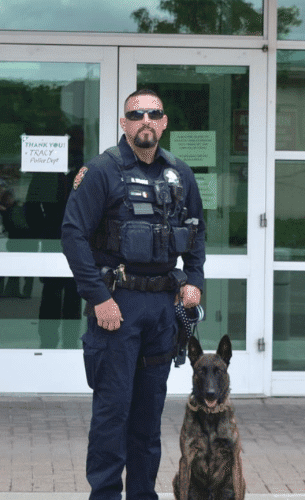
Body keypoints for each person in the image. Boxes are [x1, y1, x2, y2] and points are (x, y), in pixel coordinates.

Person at [61, 88, 206, 500]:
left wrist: (193, 279)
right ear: (124, 123)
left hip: (161, 309)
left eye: (154, 113)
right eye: (136, 114)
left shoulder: (180, 174)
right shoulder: (102, 172)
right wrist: (97, 298)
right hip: (117, 307)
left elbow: (197, 233)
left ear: (163, 123)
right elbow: (73, 236)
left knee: (147, 420)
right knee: (112, 414)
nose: (146, 120)